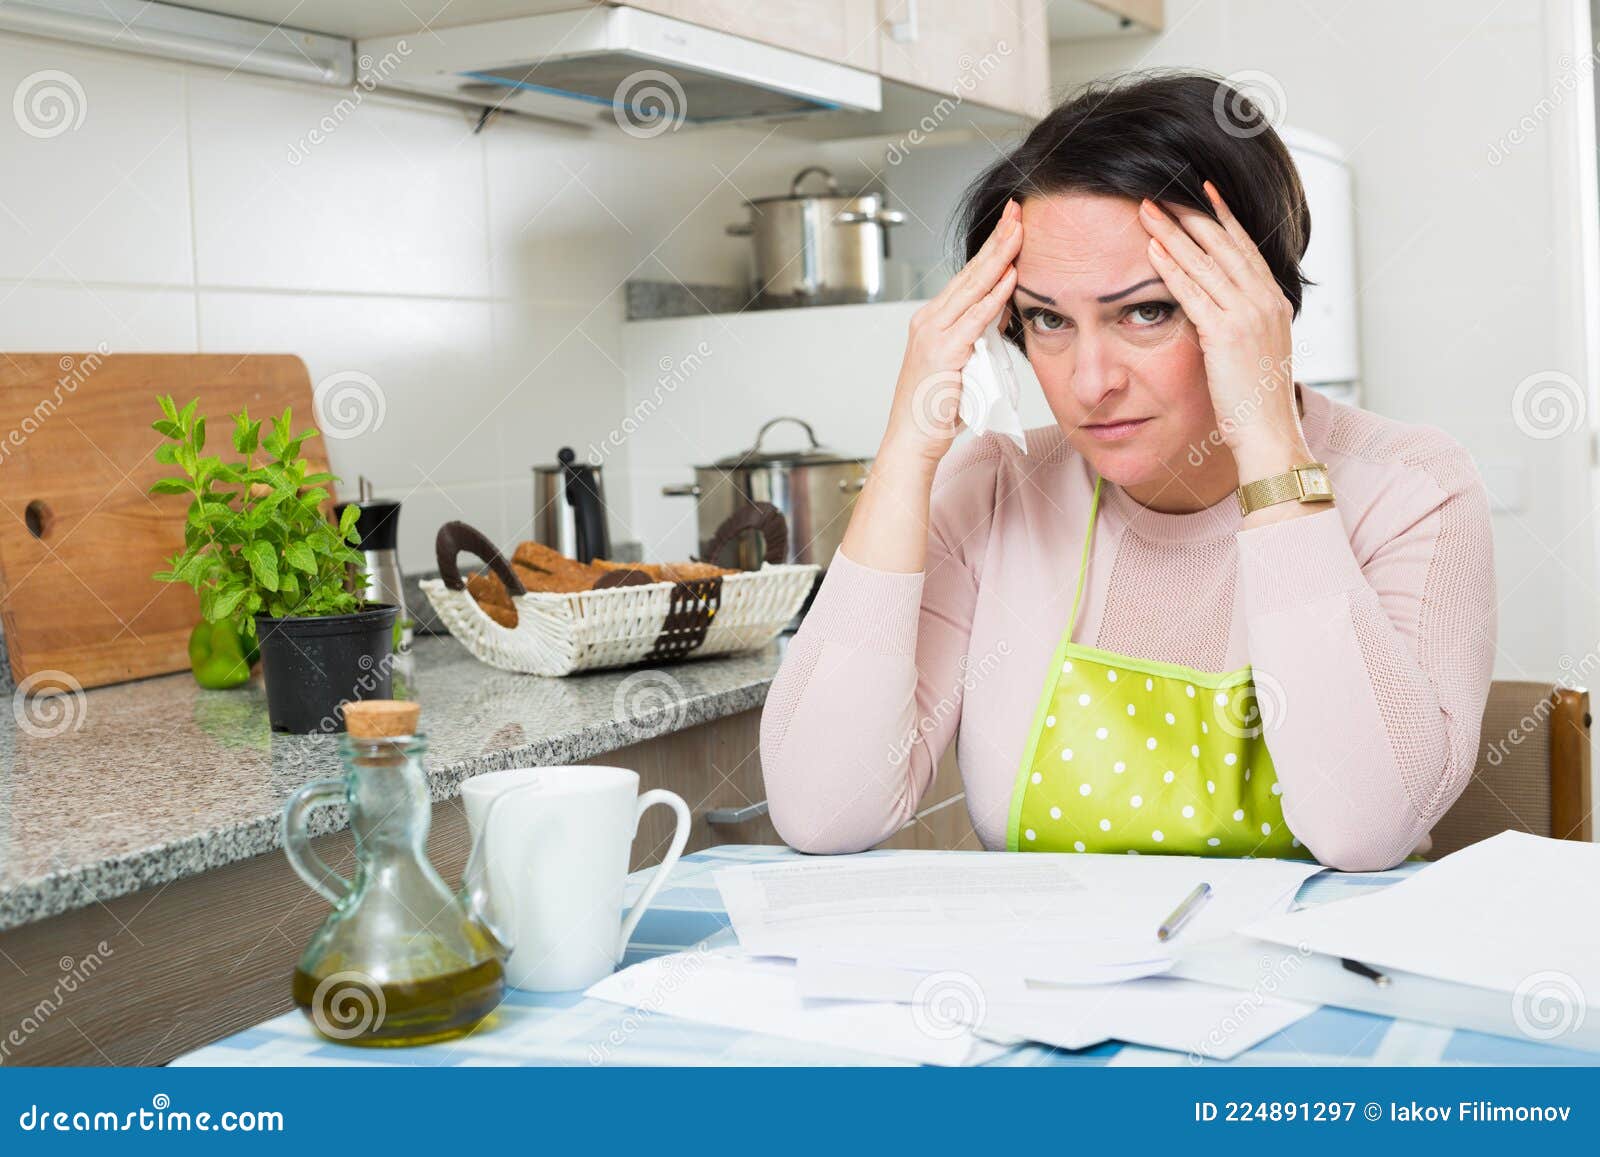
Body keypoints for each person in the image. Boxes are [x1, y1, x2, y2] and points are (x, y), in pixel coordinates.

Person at [758, 70, 1496, 872]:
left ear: (1256, 302)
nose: (1089, 381)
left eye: (1147, 311)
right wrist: (907, 447)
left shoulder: (1414, 489)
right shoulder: (994, 492)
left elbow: (1364, 829)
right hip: (1055, 990)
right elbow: (820, 810)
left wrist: (1270, 446)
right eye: (1047, 320)